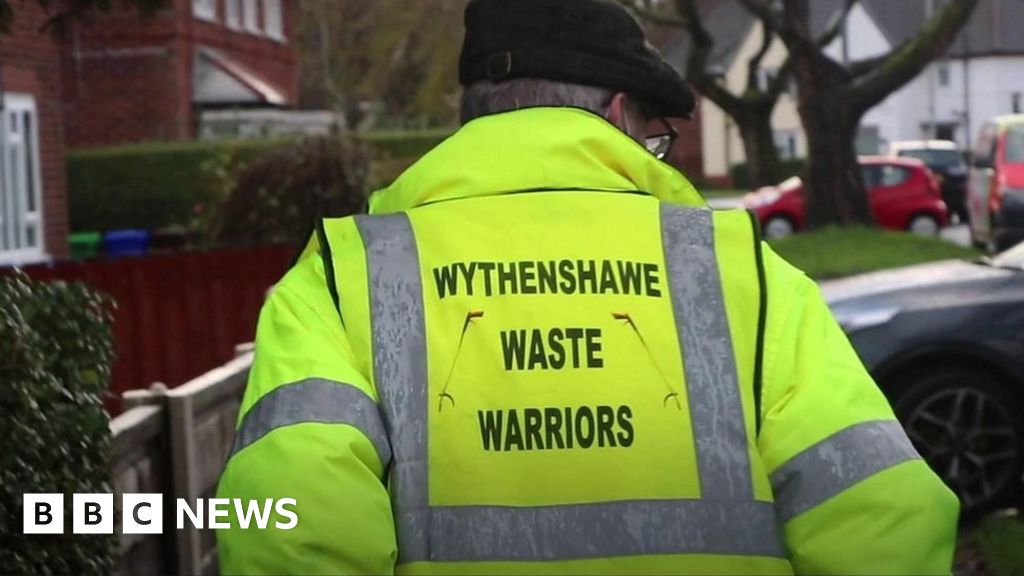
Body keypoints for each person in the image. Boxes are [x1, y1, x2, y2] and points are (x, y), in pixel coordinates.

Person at [216, 0, 959, 574]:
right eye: (654, 134)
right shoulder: (744, 276)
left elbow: (289, 531)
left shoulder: (340, 279)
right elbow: (886, 514)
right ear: (616, 113)